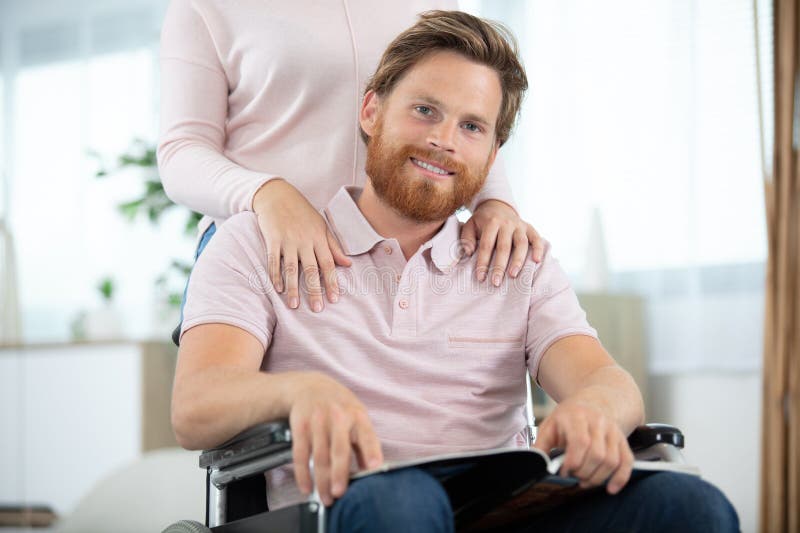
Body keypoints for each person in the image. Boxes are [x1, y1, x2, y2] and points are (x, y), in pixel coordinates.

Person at [170, 10, 740, 533]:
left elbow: (609, 382)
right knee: (404, 504)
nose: (443, 140)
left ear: (492, 156)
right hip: (357, 508)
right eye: (425, 110)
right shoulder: (253, 245)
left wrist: (595, 410)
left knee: (693, 506)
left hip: (509, 509)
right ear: (371, 112)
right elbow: (195, 407)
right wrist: (299, 392)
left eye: (472, 127)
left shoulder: (514, 260)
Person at [158, 0, 544, 323]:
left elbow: (465, 112)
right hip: (266, 250)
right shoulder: (207, 6)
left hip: (396, 256)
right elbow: (182, 150)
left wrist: (494, 202)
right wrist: (269, 195)